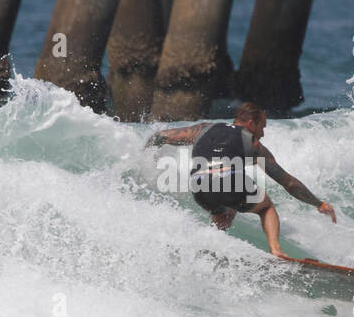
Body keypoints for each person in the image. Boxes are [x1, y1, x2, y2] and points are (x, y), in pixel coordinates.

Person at [144, 102, 336, 257]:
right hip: (229, 180)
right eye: (262, 127)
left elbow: (160, 136)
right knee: (265, 207)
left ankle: (210, 252)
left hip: (199, 185)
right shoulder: (252, 143)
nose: (263, 133)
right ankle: (276, 251)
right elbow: (289, 183)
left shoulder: (201, 129)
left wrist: (142, 157)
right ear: (251, 123)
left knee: (223, 213)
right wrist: (319, 204)